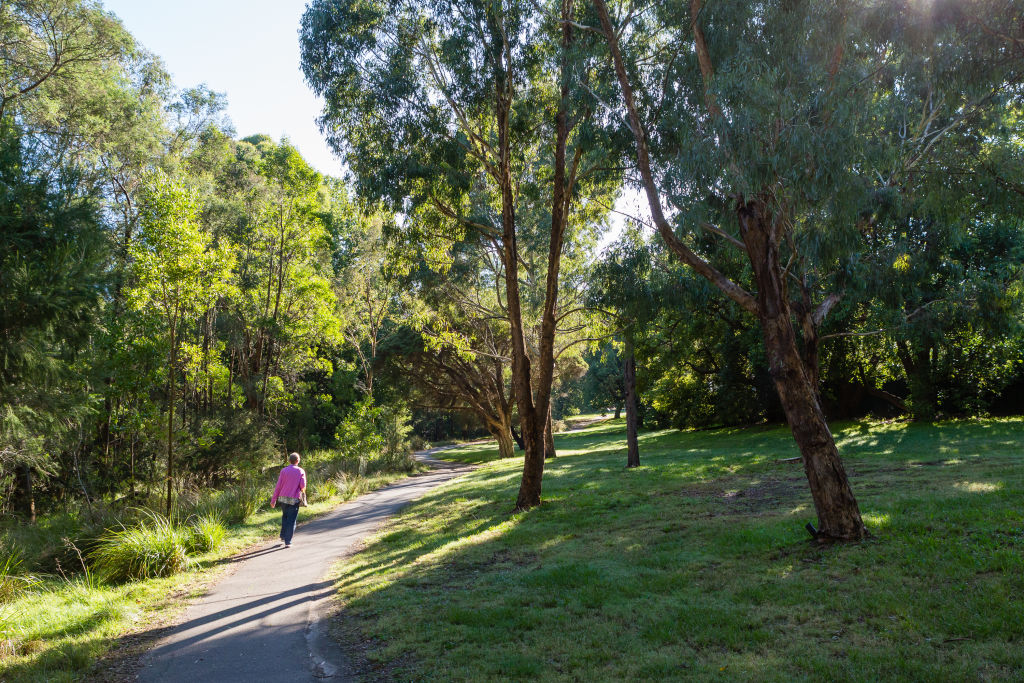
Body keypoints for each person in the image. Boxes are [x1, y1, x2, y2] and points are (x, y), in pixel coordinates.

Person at [270, 452, 307, 547]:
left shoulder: (283, 471)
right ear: (298, 461)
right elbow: (303, 486)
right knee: (291, 520)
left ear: (289, 461)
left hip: (282, 498)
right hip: (294, 499)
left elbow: (278, 486)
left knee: (285, 516)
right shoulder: (300, 471)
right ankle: (288, 541)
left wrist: (273, 500)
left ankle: (283, 535)